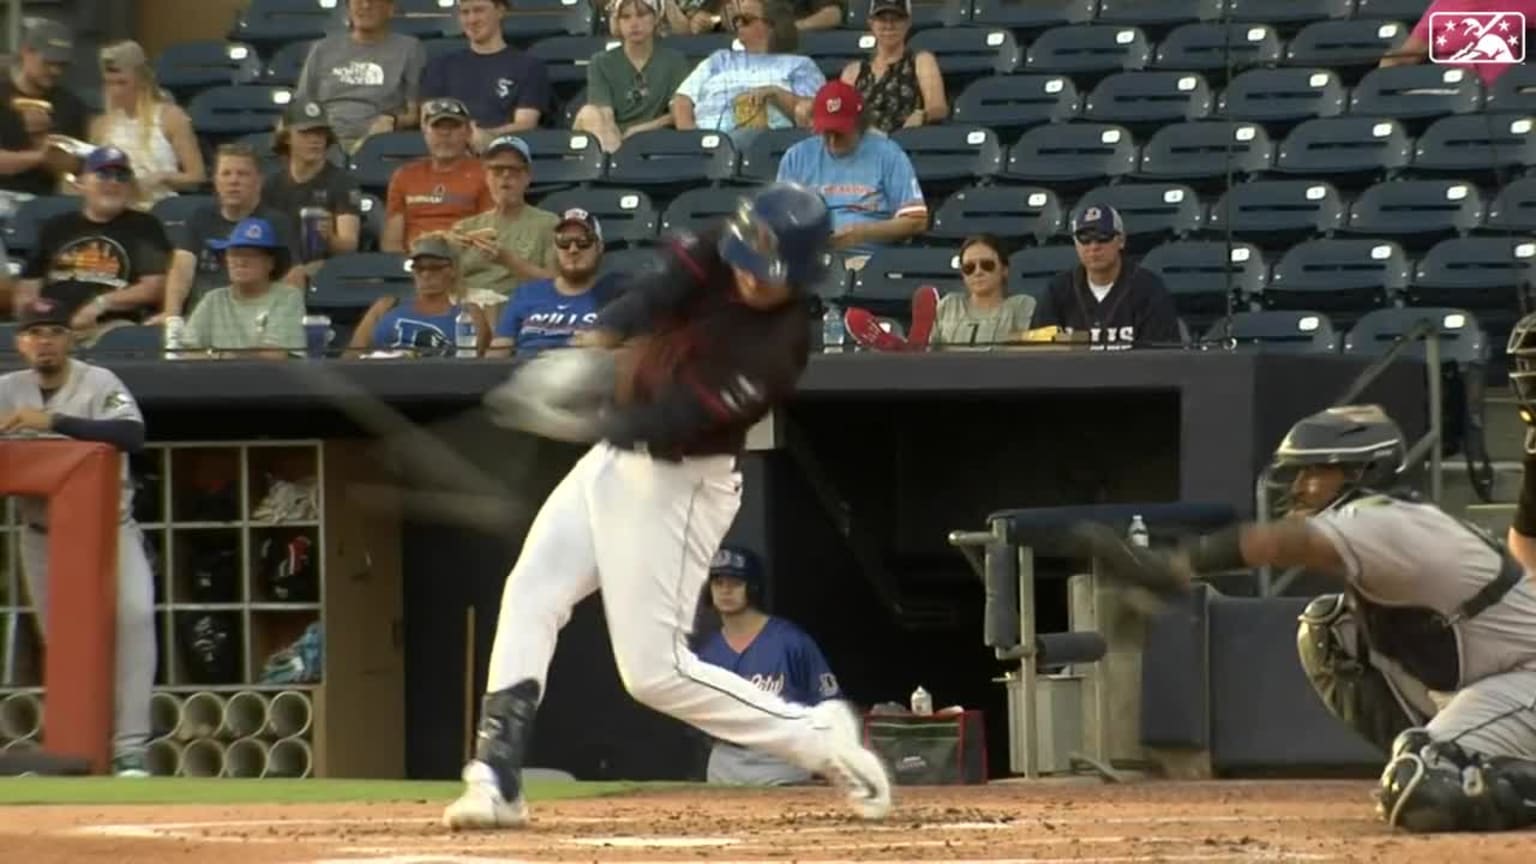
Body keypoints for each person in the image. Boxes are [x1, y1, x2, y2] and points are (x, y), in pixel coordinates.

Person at [441, 183, 892, 830]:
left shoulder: (777, 348)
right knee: (531, 591)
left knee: (654, 675)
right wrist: (593, 343)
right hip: (616, 459)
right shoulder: (730, 242)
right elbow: (656, 293)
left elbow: (675, 420)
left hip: (680, 481)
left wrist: (584, 407)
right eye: (742, 259)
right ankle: (496, 776)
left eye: (763, 272)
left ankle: (818, 737)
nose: (745, 275)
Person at [1069, 403, 1536, 834]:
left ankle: (1456, 767)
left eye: (1315, 471)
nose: (1298, 486)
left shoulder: (1385, 520)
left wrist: (1173, 566)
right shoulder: (1387, 519)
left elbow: (1288, 543)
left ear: (1362, 472)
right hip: (1486, 681)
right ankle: (1440, 755)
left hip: (1524, 678)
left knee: (1423, 789)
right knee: (1329, 629)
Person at [0, 296, 155, 777]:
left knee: (133, 618)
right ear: (19, 342)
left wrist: (54, 423)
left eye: (54, 331)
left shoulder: (98, 381)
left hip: (110, 530)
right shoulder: (7, 389)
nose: (44, 340)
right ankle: (73, 749)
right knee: (62, 640)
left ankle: (130, 747)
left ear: (71, 338)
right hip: (42, 534)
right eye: (34, 332)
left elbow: (132, 436)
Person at [697, 545, 842, 786]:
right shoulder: (708, 653)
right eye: (718, 582)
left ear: (753, 588)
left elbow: (830, 703)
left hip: (782, 761)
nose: (725, 590)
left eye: (735, 583)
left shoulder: (790, 641)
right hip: (725, 763)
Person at [17, 147, 172, 330]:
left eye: (121, 177)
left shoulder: (144, 226)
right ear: (81, 182)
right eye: (104, 175)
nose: (113, 182)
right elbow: (29, 287)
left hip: (110, 327)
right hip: (52, 327)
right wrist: (38, 320)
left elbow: (154, 287)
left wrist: (101, 304)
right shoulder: (56, 227)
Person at [775, 80, 926, 260]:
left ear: (859, 124)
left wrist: (863, 233)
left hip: (867, 258)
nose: (831, 141)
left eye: (839, 133)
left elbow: (916, 221)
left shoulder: (888, 154)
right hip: (810, 258)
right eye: (826, 132)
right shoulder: (797, 156)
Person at [162, 143, 305, 318]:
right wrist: (171, 318)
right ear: (215, 181)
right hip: (202, 316)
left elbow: (293, 277)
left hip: (255, 317)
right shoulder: (200, 217)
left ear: (259, 181)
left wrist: (275, 320)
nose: (233, 181)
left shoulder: (277, 222)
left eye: (242, 174)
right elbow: (181, 270)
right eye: (226, 174)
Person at [671, 0, 824, 143]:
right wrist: (692, 138)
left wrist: (777, 94)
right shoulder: (718, 60)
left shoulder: (799, 65)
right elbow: (682, 99)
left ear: (770, 25)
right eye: (736, 19)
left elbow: (812, 113)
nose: (738, 24)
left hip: (763, 143)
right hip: (706, 143)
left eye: (745, 20)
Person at [1031, 204, 1181, 350]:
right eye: (1085, 239)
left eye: (1103, 237)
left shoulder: (1149, 289)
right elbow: (1039, 355)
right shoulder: (1057, 290)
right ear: (1075, 244)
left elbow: (1162, 360)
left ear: (1121, 240)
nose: (1094, 247)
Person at [294, 0, 427, 152]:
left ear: (390, 9)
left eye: (373, 1)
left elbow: (415, 115)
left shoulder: (409, 49)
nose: (365, 5)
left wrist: (393, 122)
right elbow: (301, 107)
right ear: (348, 9)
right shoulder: (322, 49)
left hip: (378, 140)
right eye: (357, 1)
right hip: (325, 139)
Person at [487, 209, 622, 357]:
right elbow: (497, 355)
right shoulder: (527, 293)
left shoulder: (618, 295)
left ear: (599, 247)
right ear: (554, 249)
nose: (573, 249)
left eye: (584, 241)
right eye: (563, 242)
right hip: (527, 374)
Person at [89, 40, 205, 209]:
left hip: (159, 206)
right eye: (109, 83)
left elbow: (197, 177)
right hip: (115, 207)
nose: (115, 91)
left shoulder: (170, 117)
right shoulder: (101, 125)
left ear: (141, 80)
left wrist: (163, 177)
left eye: (122, 83)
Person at [421, 0, 550, 150]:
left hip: (504, 154)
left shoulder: (529, 66)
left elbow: (525, 123)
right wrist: (467, 137)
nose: (472, 20)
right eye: (465, 12)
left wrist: (487, 136)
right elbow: (427, 120)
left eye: (479, 10)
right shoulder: (441, 66)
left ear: (500, 11)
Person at [176, 218, 306, 358]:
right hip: (214, 378)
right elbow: (186, 353)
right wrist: (221, 357)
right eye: (234, 254)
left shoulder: (287, 297)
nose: (240, 261)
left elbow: (274, 357)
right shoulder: (213, 299)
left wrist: (217, 356)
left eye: (250, 255)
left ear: (270, 263)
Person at [447, 134, 556, 299]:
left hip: (518, 305)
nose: (505, 176)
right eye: (497, 170)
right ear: (487, 177)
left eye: (514, 170)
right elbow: (443, 282)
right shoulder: (465, 228)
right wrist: (446, 248)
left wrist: (508, 260)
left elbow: (555, 284)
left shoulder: (549, 224)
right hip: (464, 307)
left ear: (527, 177)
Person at [574, 0, 691, 154]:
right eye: (626, 17)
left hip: (655, 138)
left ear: (656, 18)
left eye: (642, 15)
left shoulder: (675, 61)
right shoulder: (601, 62)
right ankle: (613, 164)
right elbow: (605, 116)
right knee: (589, 113)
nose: (634, 23)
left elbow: (678, 113)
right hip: (611, 137)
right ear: (618, 22)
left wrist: (640, 129)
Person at [349, 234, 492, 356]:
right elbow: (352, 355)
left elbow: (474, 364)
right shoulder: (386, 306)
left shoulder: (468, 314)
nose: (426, 274)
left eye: (435, 268)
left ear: (452, 270)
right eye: (419, 268)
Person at [262, 100, 362, 270]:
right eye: (305, 133)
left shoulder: (343, 182)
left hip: (325, 271)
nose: (315, 140)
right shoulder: (271, 185)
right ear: (287, 137)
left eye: (320, 133)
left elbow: (349, 245)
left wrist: (330, 238)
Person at [383, 98, 491, 253]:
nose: (445, 133)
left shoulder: (485, 174)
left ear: (468, 132)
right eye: (437, 126)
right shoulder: (404, 175)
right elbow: (392, 242)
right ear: (425, 132)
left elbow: (487, 234)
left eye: (453, 127)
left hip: (464, 262)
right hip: (413, 264)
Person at [0, 19, 89, 198]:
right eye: (48, 62)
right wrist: (40, 156)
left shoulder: (70, 104)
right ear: (26, 52)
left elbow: (72, 168)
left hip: (45, 200)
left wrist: (40, 137)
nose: (55, 71)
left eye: (61, 65)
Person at [838, 0, 946, 134]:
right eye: (882, 19)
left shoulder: (921, 61)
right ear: (871, 23)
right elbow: (840, 116)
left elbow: (938, 108)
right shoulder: (852, 72)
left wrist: (922, 115)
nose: (889, 25)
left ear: (908, 23)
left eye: (896, 19)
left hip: (904, 143)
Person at [1378, 1, 1536, 85]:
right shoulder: (1442, 6)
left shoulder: (1517, 2)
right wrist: (1385, 70)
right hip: (1451, 90)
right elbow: (1408, 55)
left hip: (1501, 90)